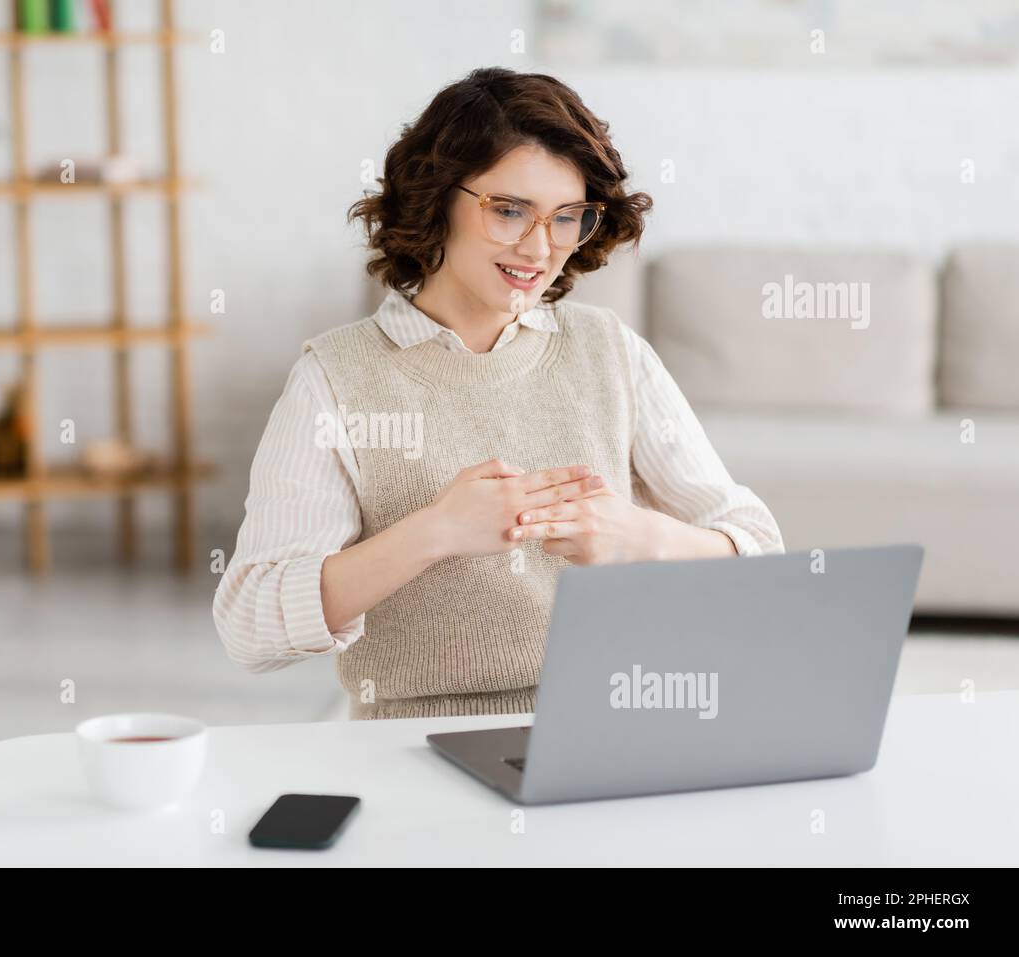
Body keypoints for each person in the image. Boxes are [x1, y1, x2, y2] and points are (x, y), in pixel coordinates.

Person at [214, 67, 784, 720]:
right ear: (435, 200)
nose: (540, 247)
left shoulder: (610, 351)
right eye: (510, 210)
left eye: (566, 218)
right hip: (414, 745)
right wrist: (433, 532)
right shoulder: (335, 379)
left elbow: (758, 547)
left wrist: (638, 535)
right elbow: (250, 625)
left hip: (617, 723)